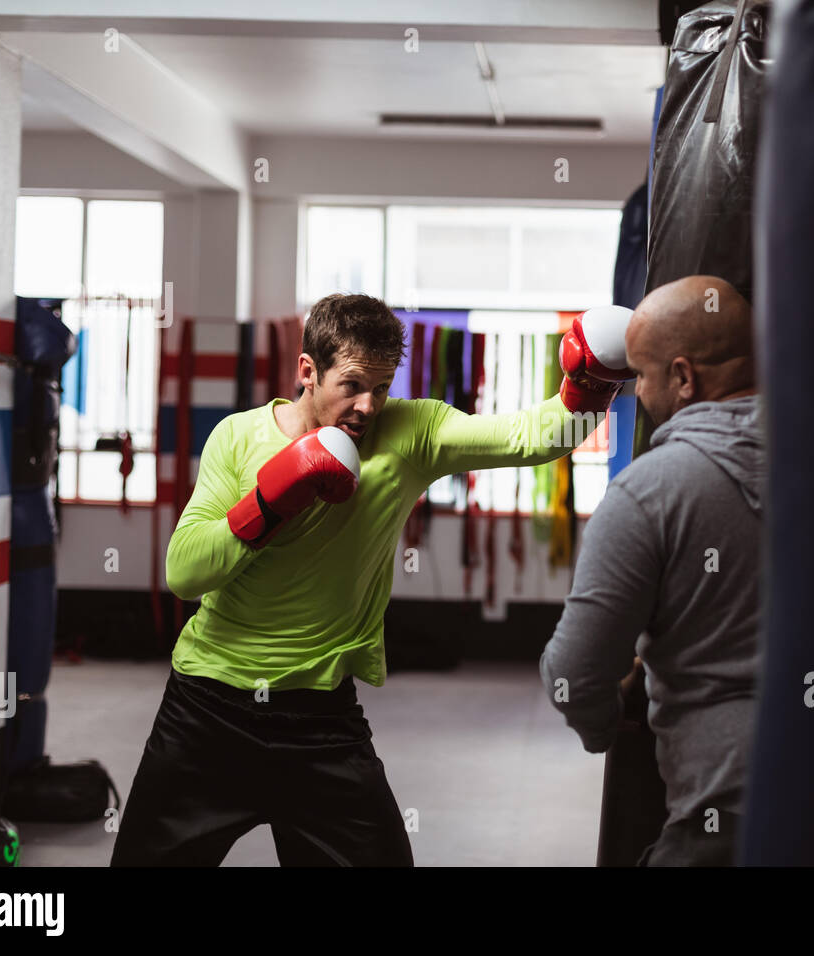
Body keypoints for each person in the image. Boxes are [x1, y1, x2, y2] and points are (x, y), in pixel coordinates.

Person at [111, 292, 633, 866]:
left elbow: (533, 437)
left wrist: (590, 384)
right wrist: (267, 504)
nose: (367, 406)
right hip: (205, 712)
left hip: (320, 720)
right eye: (353, 385)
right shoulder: (237, 438)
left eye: (381, 388)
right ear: (307, 371)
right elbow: (184, 573)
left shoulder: (411, 431)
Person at [540, 275, 762, 866]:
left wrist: (604, 725)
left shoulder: (650, 490)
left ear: (684, 378)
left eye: (642, 374)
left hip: (726, 817)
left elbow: (574, 673)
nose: (637, 392)